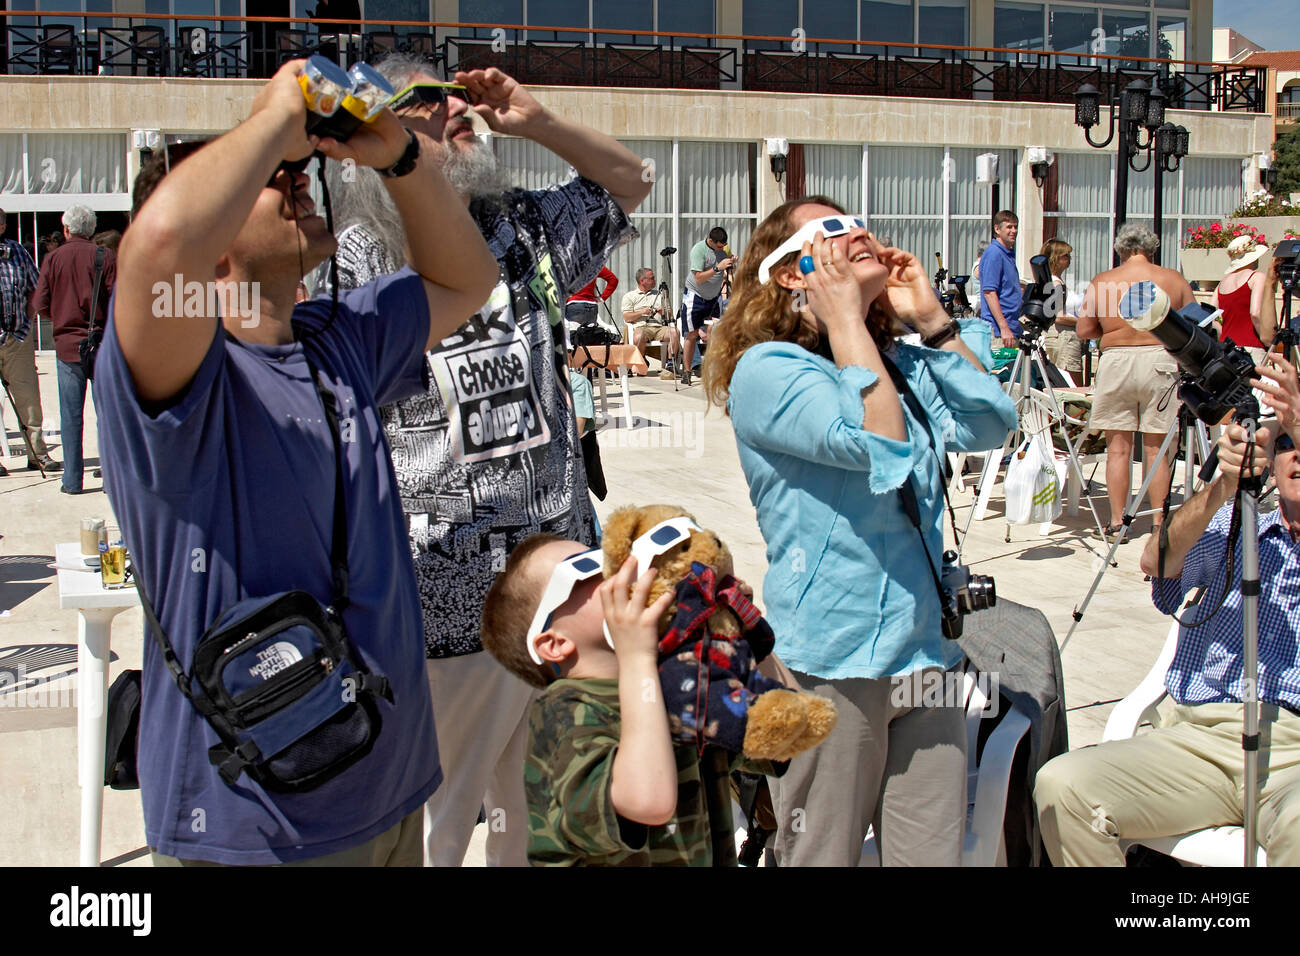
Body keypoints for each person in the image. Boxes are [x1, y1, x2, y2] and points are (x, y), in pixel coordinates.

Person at [95, 60, 498, 865]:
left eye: (293, 166)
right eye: (273, 178)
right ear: (214, 252)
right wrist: (275, 119)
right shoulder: (178, 379)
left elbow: (469, 278)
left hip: (388, 780)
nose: (298, 179)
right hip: (255, 822)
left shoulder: (334, 339)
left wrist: (400, 160)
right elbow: (162, 247)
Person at [323, 54, 651, 867]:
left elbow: (631, 181)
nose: (453, 106)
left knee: (541, 808)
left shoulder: (521, 225)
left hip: (559, 581)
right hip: (442, 595)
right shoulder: (354, 256)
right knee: (443, 814)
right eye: (425, 102)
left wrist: (536, 121)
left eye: (453, 93)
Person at [702, 196, 1016, 866]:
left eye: (863, 223)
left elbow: (993, 423)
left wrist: (932, 322)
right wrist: (847, 318)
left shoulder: (892, 360)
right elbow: (880, 443)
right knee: (822, 852)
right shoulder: (770, 371)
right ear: (792, 272)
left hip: (924, 650)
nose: (862, 234)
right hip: (834, 662)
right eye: (835, 231)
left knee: (930, 854)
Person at [1035, 355, 1300, 865]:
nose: (1293, 456)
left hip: (1291, 749)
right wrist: (1220, 487)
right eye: (1283, 445)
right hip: (1199, 735)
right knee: (1065, 786)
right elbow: (1157, 561)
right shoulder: (1236, 529)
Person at [481, 538, 714, 866]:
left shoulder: (664, 680)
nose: (616, 570)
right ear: (555, 643)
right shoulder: (561, 714)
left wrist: (738, 619)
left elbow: (783, 738)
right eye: (587, 568)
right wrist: (638, 658)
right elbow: (648, 803)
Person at [1076, 223, 1196, 540]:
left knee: (1118, 449)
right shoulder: (1172, 279)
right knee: (1157, 448)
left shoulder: (1103, 282)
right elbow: (1195, 323)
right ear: (1151, 248)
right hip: (1160, 356)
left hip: (1116, 360)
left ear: (1121, 250)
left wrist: (1113, 331)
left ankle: (1118, 522)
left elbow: (1084, 330)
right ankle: (1158, 522)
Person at [28, 204, 116, 495]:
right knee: (107, 416)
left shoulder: (53, 259)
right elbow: (120, 301)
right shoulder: (106, 256)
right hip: (101, 344)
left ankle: (72, 480)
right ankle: (110, 480)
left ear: (66, 229)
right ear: (91, 229)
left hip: (67, 346)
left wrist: (63, 316)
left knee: (70, 415)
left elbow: (39, 305)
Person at [0, 209, 58, 476]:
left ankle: (38, 454)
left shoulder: (18, 252)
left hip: (17, 338)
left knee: (28, 398)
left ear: (2, 227)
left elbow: (37, 288)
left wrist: (28, 316)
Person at [679, 226, 736, 387]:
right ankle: (687, 371)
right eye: (719, 246)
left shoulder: (724, 248)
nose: (722, 249)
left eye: (724, 246)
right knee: (692, 333)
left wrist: (732, 263)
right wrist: (718, 267)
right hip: (696, 295)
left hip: (714, 295)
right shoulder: (699, 250)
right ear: (710, 241)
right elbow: (699, 278)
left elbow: (729, 269)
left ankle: (715, 368)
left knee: (716, 331)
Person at [1214, 233, 1277, 363]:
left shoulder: (1222, 283)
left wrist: (1223, 334)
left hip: (1226, 349)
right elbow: (1255, 312)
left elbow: (1208, 315)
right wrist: (1267, 340)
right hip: (1251, 347)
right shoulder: (1256, 277)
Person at [1038, 238, 1084, 382]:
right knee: (1072, 385)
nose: (1069, 259)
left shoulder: (1051, 281)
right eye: (1065, 256)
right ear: (1056, 258)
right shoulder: (1056, 283)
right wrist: (1084, 322)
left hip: (1060, 337)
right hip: (1064, 338)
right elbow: (1058, 316)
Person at [622, 266, 677, 380]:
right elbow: (627, 317)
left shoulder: (659, 294)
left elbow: (670, 315)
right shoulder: (630, 296)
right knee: (638, 336)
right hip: (642, 326)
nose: (655, 280)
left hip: (658, 326)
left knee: (674, 332)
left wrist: (664, 312)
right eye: (651, 278)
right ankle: (641, 361)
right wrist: (642, 312)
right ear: (642, 281)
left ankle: (671, 363)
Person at [978, 210, 1022, 349]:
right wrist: (1004, 328)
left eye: (1015, 227)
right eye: (1009, 227)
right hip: (999, 333)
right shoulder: (994, 253)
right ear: (997, 229)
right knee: (1001, 370)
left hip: (1012, 327)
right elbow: (990, 293)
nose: (1013, 231)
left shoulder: (1008, 254)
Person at [565, 264, 618, 338]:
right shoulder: (594, 263)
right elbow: (613, 279)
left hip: (574, 304)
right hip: (592, 306)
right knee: (589, 337)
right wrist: (602, 298)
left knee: (573, 338)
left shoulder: (568, 264)